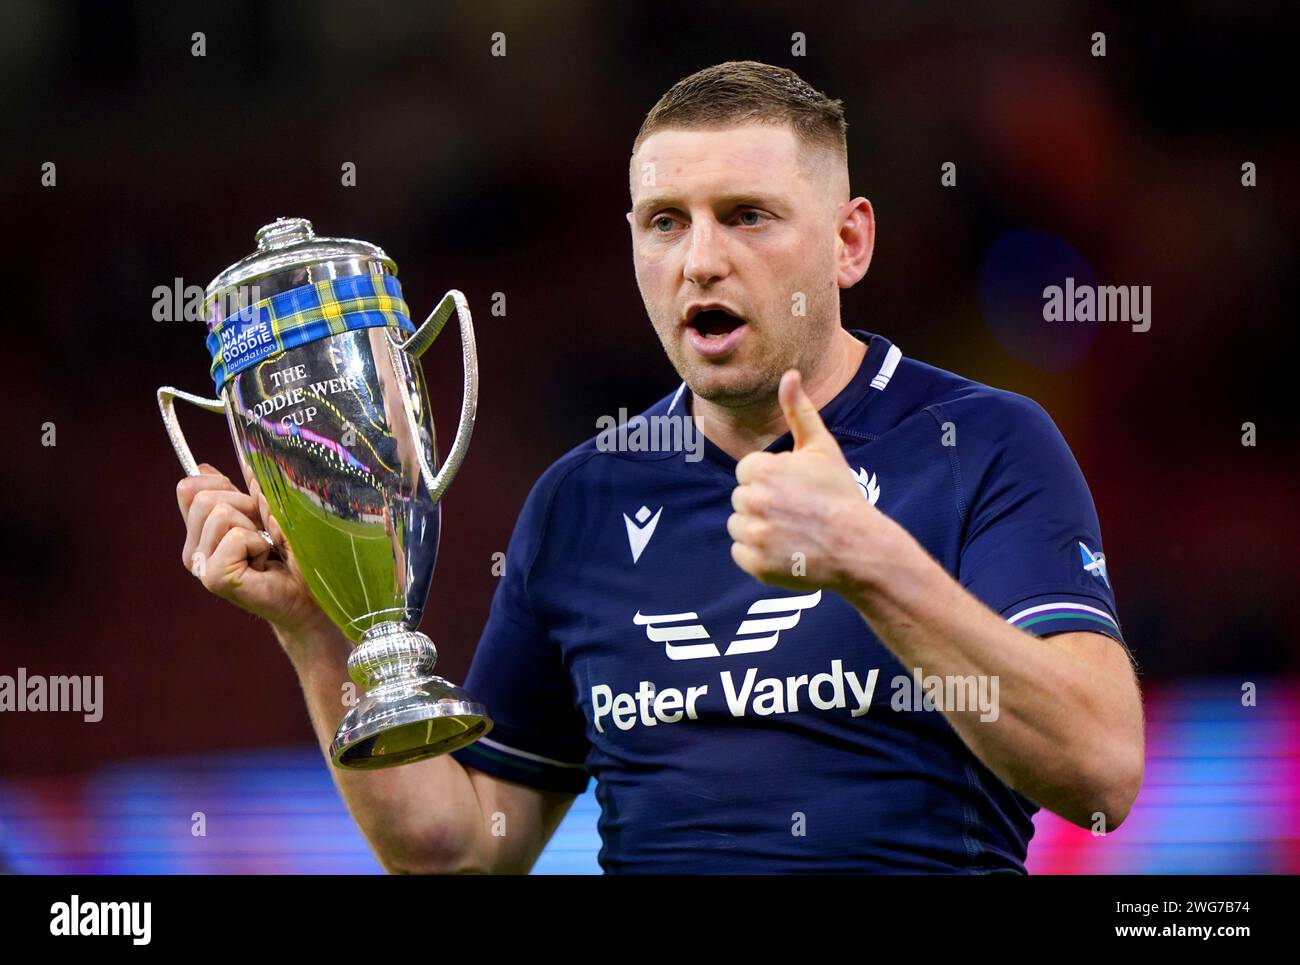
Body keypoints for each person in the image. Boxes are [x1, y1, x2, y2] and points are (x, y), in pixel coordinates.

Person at [175, 60, 1143, 873]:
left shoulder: (981, 442)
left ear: (849, 241)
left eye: (748, 215)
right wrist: (313, 628)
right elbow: (458, 848)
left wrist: (869, 557)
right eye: (665, 222)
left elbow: (1099, 770)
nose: (701, 260)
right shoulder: (581, 499)